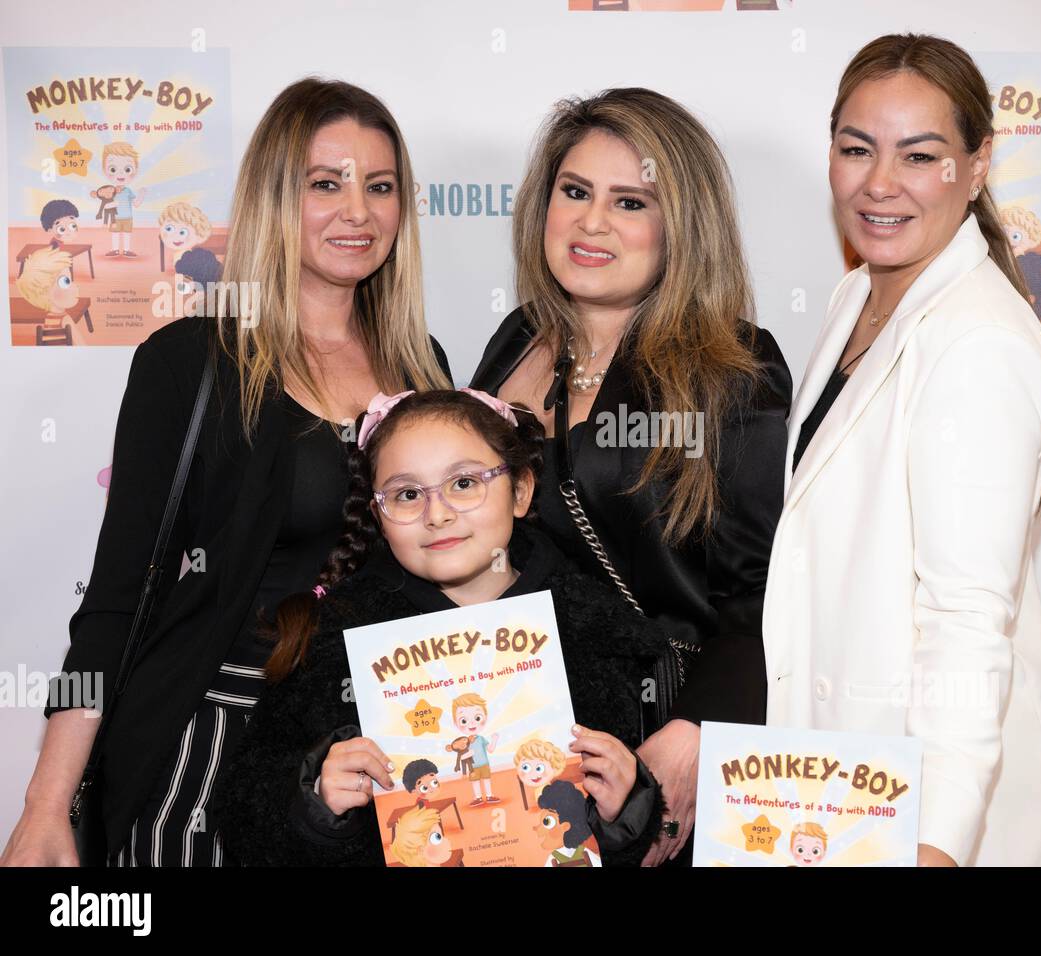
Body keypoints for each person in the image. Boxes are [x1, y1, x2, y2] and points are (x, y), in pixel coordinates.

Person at [1, 78, 451, 868]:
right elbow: (112, 604)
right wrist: (44, 805)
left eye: (380, 187)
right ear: (276, 196)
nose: (359, 211)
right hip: (210, 745)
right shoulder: (191, 364)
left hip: (376, 748)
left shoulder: (425, 369)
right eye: (325, 184)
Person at [762, 33, 1041, 866]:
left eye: (920, 155)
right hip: (843, 788)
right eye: (856, 149)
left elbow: (968, 620)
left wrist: (932, 842)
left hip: (928, 819)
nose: (879, 184)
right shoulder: (856, 294)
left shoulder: (979, 339)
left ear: (976, 168)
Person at [471, 88, 792, 864]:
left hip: (662, 733)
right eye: (575, 192)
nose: (591, 222)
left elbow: (765, 590)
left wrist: (691, 739)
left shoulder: (734, 371)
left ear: (681, 224)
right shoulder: (516, 341)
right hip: (519, 739)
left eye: (630, 201)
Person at [208, 389, 666, 866]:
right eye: (407, 494)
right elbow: (247, 815)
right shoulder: (335, 642)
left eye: (465, 483)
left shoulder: (591, 627)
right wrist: (317, 805)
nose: (438, 513)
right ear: (378, 516)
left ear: (522, 490)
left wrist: (625, 811)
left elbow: (619, 841)